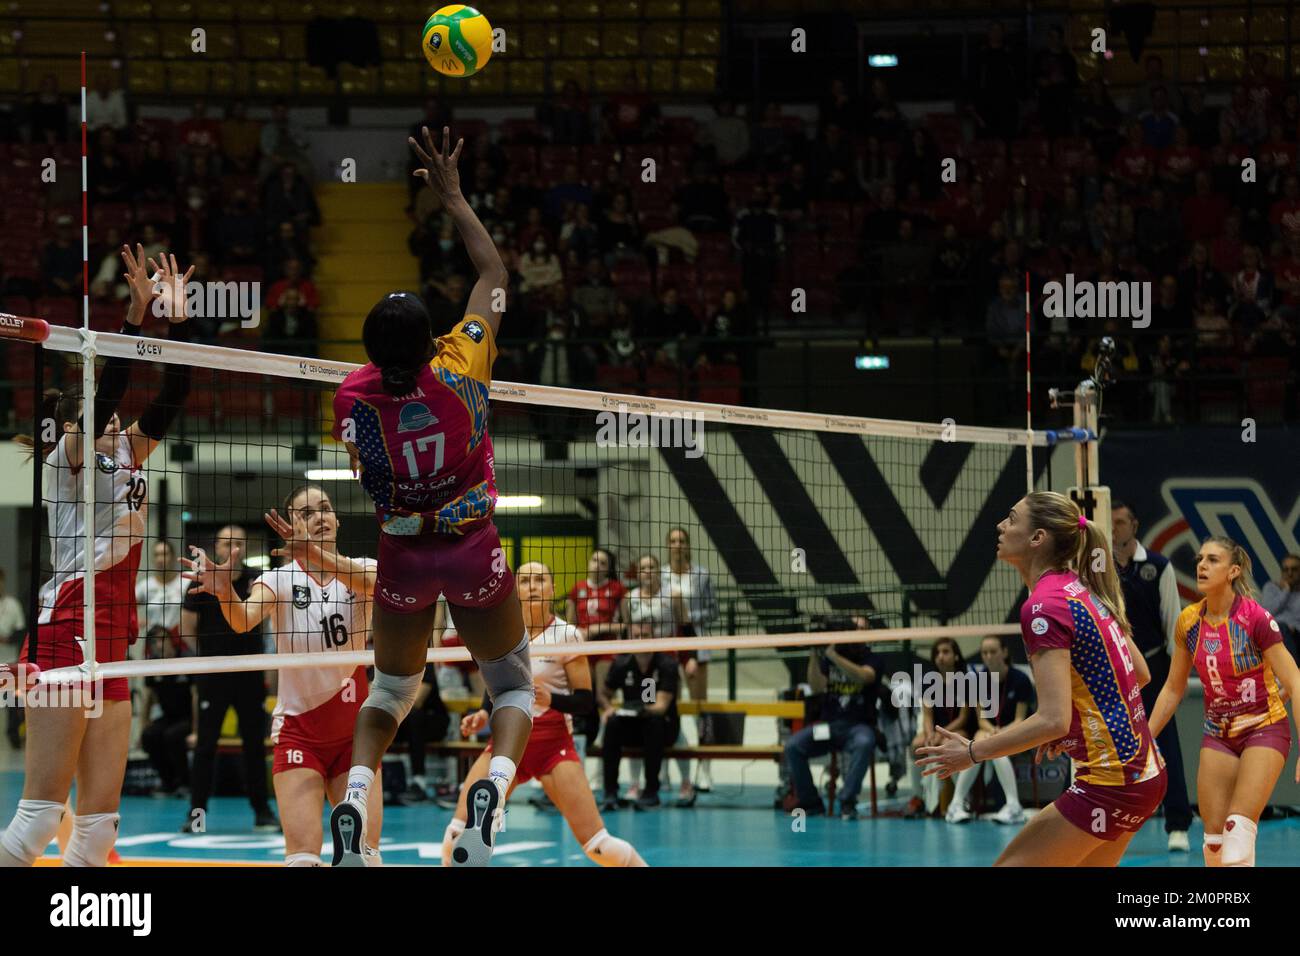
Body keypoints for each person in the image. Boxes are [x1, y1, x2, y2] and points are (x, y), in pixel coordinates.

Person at [327, 126, 533, 868]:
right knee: (512, 688)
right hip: (471, 543)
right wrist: (450, 196)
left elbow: (359, 463)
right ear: (430, 338)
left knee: (388, 692)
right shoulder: (463, 362)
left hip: (402, 555)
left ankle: (353, 800)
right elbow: (494, 272)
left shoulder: (352, 396)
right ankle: (493, 795)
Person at [0, 246, 194, 868]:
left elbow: (176, 390)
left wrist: (177, 320)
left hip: (111, 639)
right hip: (65, 632)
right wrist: (133, 319)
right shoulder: (69, 460)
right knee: (36, 826)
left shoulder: (127, 456)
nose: (116, 425)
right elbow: (107, 392)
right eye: (97, 420)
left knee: (97, 832)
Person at [917, 492, 1165, 866]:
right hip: (1144, 775)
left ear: (1038, 538)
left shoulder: (1043, 607)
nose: (1001, 526)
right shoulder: (1081, 589)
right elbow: (1138, 674)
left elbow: (1052, 718)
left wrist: (971, 752)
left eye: (1012, 519)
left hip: (1110, 783)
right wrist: (1074, 732)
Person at [181, 486, 385, 865]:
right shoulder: (277, 580)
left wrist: (314, 553)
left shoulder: (366, 568)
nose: (319, 517)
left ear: (337, 520)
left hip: (355, 735)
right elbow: (243, 621)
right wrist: (226, 593)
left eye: (324, 509)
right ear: (291, 525)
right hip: (299, 733)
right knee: (302, 858)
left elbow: (368, 584)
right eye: (306, 513)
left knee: (364, 855)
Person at [444, 562, 646, 866]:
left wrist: (553, 699)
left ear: (552, 590)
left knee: (598, 847)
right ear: (514, 590)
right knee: (455, 836)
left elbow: (585, 701)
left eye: (540, 580)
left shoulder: (567, 634)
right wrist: (484, 715)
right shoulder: (500, 631)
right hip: (507, 743)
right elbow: (496, 688)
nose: (533, 586)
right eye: (524, 580)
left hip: (553, 744)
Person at [1147, 537, 1300, 867]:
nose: (1202, 565)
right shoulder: (1188, 622)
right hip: (1218, 733)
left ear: (1233, 571)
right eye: (1200, 558)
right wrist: (1145, 740)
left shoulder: (1255, 618)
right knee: (1215, 844)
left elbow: (1295, 681)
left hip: (1265, 727)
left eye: (1213, 560)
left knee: (1238, 833)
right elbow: (1173, 690)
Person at [181, 524, 278, 834]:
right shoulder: (200, 581)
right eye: (226, 542)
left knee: (254, 745)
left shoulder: (257, 580)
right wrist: (208, 658)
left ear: (245, 547)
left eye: (238, 541)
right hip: (213, 674)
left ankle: (262, 812)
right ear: (217, 547)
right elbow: (187, 629)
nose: (232, 547)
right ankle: (196, 816)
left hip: (249, 673)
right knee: (205, 746)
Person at [1111, 501, 1194, 851]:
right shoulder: (1097, 569)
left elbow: (1173, 622)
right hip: (1113, 671)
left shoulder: (1159, 566)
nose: (1114, 528)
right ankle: (1111, 821)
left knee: (1164, 744)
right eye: (1109, 523)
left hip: (1154, 668)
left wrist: (1175, 676)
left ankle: (1177, 825)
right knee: (1112, 747)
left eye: (1120, 522)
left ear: (1135, 525)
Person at [784, 617, 882, 820]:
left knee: (865, 742)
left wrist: (833, 656)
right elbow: (818, 687)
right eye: (852, 628)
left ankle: (847, 801)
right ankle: (811, 802)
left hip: (858, 726)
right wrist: (814, 653)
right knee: (793, 746)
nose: (856, 632)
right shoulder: (829, 657)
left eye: (860, 629)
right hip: (828, 727)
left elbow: (865, 677)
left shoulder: (871, 658)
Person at [946, 635, 1033, 825]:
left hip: (1018, 733)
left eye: (993, 652)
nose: (988, 656)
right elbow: (981, 718)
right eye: (984, 653)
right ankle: (956, 805)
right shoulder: (977, 680)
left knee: (993, 746)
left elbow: (1020, 719)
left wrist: (1000, 734)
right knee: (978, 745)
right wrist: (994, 731)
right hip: (988, 731)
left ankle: (1012, 805)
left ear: (1004, 652)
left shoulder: (1020, 679)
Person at [598, 620, 680, 810]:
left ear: (654, 638)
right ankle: (610, 793)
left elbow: (660, 706)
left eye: (646, 636)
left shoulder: (667, 664)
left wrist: (639, 710)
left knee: (654, 723)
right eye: (636, 636)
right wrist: (608, 708)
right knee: (612, 724)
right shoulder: (621, 663)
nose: (641, 640)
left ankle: (651, 792)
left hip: (663, 727)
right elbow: (603, 694)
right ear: (629, 638)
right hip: (632, 725)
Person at [662, 527, 718, 792]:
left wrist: (687, 615)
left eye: (681, 540)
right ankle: (663, 771)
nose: (677, 545)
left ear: (688, 545)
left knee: (700, 709)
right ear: (667, 546)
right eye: (672, 541)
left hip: (696, 645)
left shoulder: (701, 575)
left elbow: (713, 611)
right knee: (665, 708)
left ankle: (705, 770)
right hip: (667, 648)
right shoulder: (660, 575)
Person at [1, 568, 28, 749]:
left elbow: (21, 631)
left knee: (12, 702)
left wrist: (7, 638)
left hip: (9, 661)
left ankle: (14, 736)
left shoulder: (12, 604)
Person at [1259, 553, 1300, 649]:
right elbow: (1266, 614)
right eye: (1286, 570)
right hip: (1275, 634)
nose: (1289, 573)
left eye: (1294, 570)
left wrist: (1293, 627)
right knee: (1280, 628)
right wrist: (1286, 591)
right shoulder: (1271, 588)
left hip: (1297, 635)